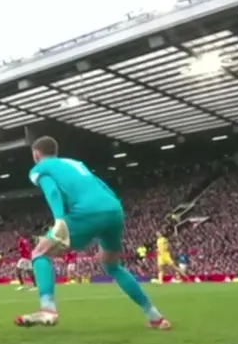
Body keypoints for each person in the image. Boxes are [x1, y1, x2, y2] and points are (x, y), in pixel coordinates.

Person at [16, 136, 169, 329]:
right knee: (112, 265)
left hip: (86, 212)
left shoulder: (39, 168)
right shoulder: (75, 163)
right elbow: (102, 186)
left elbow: (52, 191)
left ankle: (48, 309)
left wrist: (59, 219)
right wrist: (113, 208)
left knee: (39, 253)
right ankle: (155, 316)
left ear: (36, 154)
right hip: (114, 209)